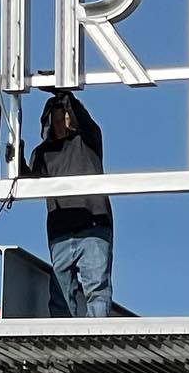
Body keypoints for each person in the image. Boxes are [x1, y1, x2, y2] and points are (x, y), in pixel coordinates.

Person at [9, 91, 114, 317]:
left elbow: (84, 119)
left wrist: (63, 92)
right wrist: (15, 153)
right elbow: (28, 181)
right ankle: (64, 347)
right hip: (61, 233)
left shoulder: (86, 140)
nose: (60, 122)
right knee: (61, 298)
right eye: (55, 118)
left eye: (64, 116)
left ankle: (95, 343)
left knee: (97, 290)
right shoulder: (43, 153)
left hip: (93, 225)